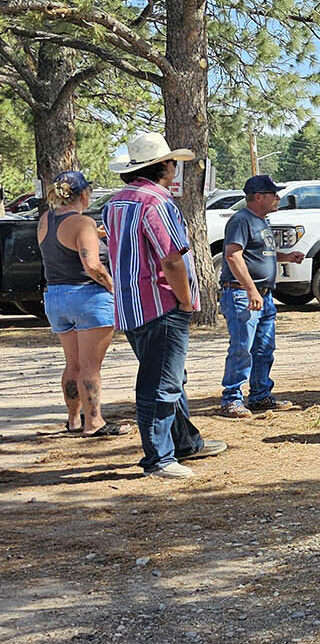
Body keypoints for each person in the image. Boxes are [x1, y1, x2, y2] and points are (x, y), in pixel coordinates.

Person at [104, 132, 226, 479]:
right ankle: (159, 459)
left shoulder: (116, 203)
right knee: (161, 383)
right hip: (160, 303)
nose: (175, 169)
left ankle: (184, 443)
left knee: (169, 376)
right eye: (172, 163)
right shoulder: (157, 203)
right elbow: (171, 259)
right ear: (162, 166)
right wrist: (187, 302)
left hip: (131, 305)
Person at [37, 170, 127, 437]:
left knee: (72, 364)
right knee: (90, 366)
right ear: (84, 194)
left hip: (55, 296)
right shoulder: (83, 222)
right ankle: (95, 422)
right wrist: (113, 287)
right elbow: (92, 265)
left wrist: (91, 235)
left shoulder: (45, 219)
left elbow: (61, 248)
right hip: (87, 297)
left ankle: (74, 419)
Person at [217, 174, 305, 419]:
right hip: (242, 295)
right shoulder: (241, 220)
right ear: (258, 196)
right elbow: (233, 256)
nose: (278, 198)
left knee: (264, 348)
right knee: (242, 347)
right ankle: (231, 399)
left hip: (263, 296)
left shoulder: (261, 221)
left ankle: (260, 395)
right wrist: (251, 290)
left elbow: (260, 254)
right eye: (273, 194)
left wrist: (286, 257)